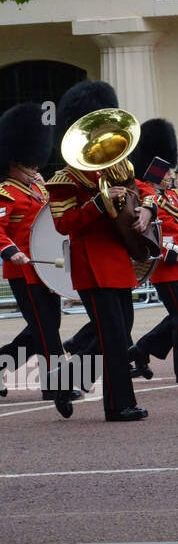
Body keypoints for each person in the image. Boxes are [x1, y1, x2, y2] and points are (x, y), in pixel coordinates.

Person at [47, 80, 150, 421]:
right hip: (91, 262)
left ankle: (65, 382)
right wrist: (97, 203)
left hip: (117, 257)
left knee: (120, 329)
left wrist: (145, 209)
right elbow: (64, 224)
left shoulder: (118, 169)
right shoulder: (65, 179)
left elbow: (141, 195)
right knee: (115, 336)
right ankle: (119, 405)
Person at [0, 103, 79, 417]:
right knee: (45, 329)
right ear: (13, 162)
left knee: (45, 327)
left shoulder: (37, 189)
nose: (36, 166)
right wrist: (10, 251)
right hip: (23, 270)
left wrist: (48, 190)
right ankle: (57, 386)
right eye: (30, 163)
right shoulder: (6, 192)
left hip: (47, 269)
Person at [125, 119, 178, 383]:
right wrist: (167, 249)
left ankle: (142, 349)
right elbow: (149, 231)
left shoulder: (170, 196)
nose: (170, 173)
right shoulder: (144, 195)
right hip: (166, 263)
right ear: (153, 168)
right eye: (165, 169)